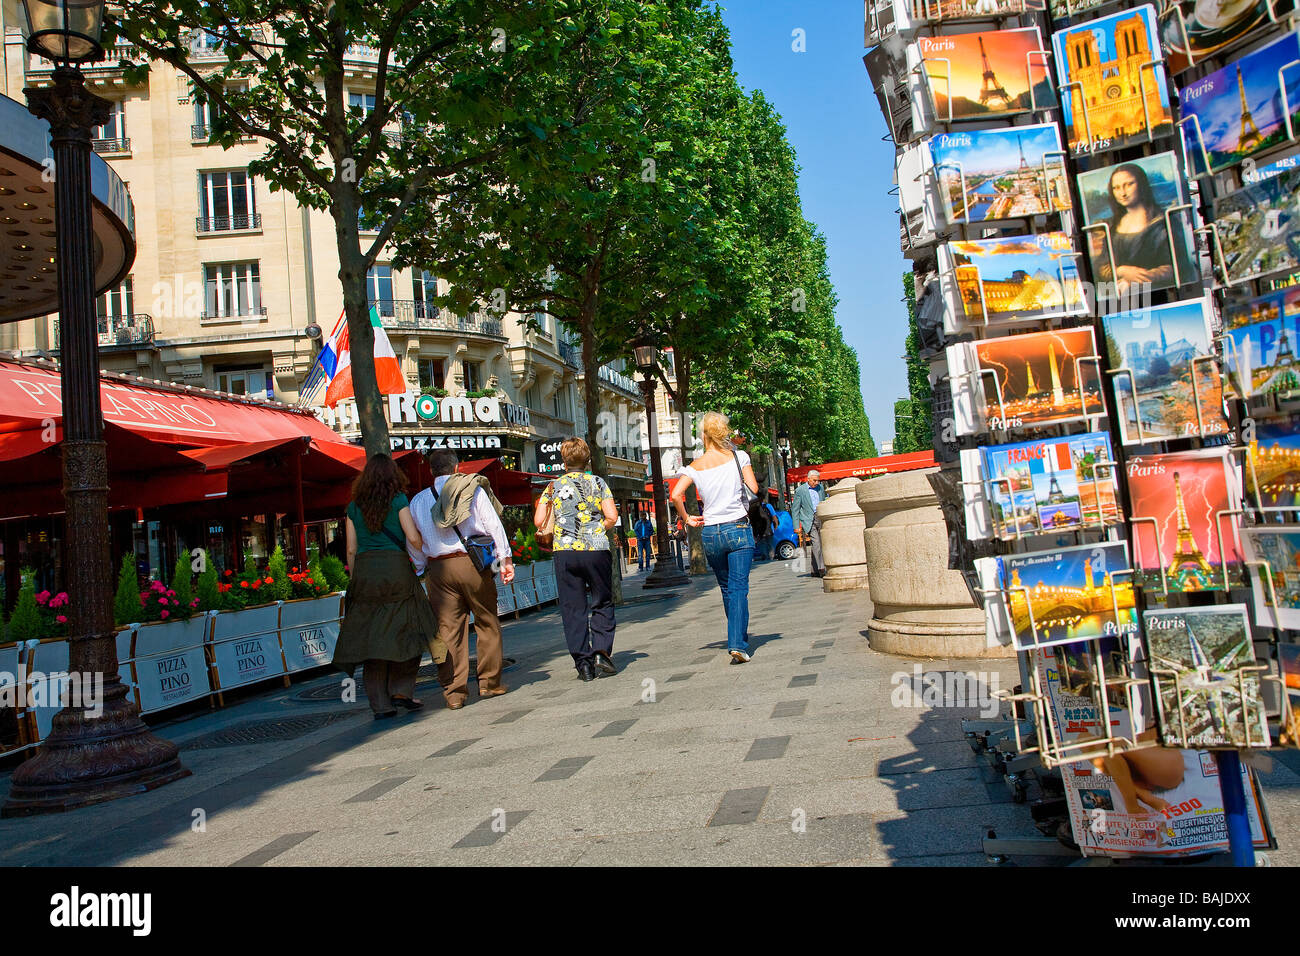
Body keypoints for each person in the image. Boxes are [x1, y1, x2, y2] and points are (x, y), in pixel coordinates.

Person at [332, 454, 446, 719]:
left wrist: (355, 578)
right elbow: (413, 537)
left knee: (372, 640)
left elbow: (350, 549)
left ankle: (381, 705)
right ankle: (402, 690)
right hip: (396, 571)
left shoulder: (353, 507)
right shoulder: (398, 500)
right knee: (413, 629)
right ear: (392, 475)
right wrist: (424, 554)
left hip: (365, 574)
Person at [409, 450, 514, 710]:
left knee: (448, 632)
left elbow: (414, 541)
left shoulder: (418, 501)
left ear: (431, 471)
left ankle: (454, 692)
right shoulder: (472, 489)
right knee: (487, 620)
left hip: (438, 570)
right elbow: (493, 525)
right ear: (456, 468)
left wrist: (422, 568)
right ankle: (489, 683)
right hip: (473, 565)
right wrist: (505, 558)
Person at [671, 411, 760, 664]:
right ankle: (737, 644)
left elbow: (676, 495)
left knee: (727, 589)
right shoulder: (738, 456)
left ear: (704, 435)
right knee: (739, 588)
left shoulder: (695, 466)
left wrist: (687, 519)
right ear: (724, 433)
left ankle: (737, 639)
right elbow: (753, 489)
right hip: (738, 529)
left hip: (710, 533)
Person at [535, 438, 619, 682]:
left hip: (565, 551)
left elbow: (540, 521)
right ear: (588, 459)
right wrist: (594, 530)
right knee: (602, 601)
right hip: (596, 550)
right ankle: (602, 651)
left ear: (563, 461)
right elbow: (611, 516)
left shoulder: (552, 487)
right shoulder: (598, 483)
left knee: (573, 608)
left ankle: (583, 663)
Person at [1088, 162, 1193, 296]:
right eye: (1116, 188)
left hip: (1163, 294)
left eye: (1129, 184)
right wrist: (1122, 271)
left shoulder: (1164, 221)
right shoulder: (1110, 226)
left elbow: (1178, 265)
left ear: (1141, 185)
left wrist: (1138, 279)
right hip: (1122, 298)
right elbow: (1101, 268)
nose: (1123, 193)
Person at [791, 468, 826, 577]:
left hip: (820, 517)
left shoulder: (820, 488)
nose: (817, 483)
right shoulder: (800, 490)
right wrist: (796, 526)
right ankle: (821, 568)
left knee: (823, 543)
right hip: (808, 520)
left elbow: (823, 501)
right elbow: (795, 509)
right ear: (808, 479)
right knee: (816, 545)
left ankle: (814, 570)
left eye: (818, 480)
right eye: (814, 480)